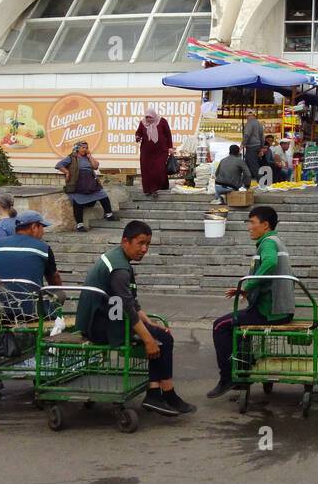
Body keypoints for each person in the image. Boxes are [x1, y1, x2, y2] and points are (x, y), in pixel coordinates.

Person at [75, 220, 194, 416]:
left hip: (108, 319)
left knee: (160, 334)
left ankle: (156, 392)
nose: (144, 249)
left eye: (148, 244)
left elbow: (130, 303)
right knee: (159, 339)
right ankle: (166, 393)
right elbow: (128, 308)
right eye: (140, 243)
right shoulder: (120, 269)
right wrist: (147, 338)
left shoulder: (119, 259)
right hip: (99, 327)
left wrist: (149, 323)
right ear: (125, 242)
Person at [208, 205, 295, 398]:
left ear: (265, 225)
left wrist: (248, 286)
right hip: (281, 309)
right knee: (239, 328)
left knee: (220, 326)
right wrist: (250, 290)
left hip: (270, 312)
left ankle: (227, 378)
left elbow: (270, 263)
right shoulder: (276, 242)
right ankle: (242, 374)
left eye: (252, 223)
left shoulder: (268, 243)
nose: (249, 227)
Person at [0, 210, 63, 355]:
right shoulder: (44, 249)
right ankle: (40, 354)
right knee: (56, 301)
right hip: (29, 311)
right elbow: (55, 280)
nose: (42, 233)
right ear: (34, 227)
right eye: (42, 228)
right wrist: (59, 297)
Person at [56, 142, 118, 232]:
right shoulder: (71, 157)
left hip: (91, 183)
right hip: (78, 183)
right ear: (77, 148)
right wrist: (67, 172)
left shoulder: (87, 158)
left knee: (102, 195)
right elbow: (59, 165)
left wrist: (90, 156)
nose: (85, 149)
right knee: (78, 201)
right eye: (83, 148)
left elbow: (96, 166)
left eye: (86, 147)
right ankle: (80, 225)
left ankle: (109, 214)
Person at [134, 107, 174, 196]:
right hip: (146, 152)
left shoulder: (162, 121)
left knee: (158, 169)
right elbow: (138, 132)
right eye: (147, 117)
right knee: (147, 170)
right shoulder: (143, 123)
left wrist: (170, 147)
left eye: (150, 117)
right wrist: (137, 137)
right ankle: (149, 189)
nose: (148, 119)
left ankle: (155, 188)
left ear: (154, 116)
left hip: (161, 151)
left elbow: (168, 134)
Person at [242, 110, 265, 182]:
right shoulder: (259, 123)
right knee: (247, 164)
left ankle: (261, 181)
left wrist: (242, 144)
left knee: (253, 165)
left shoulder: (249, 123)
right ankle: (245, 182)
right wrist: (261, 148)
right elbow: (262, 137)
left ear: (248, 116)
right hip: (257, 146)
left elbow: (246, 135)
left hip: (251, 146)